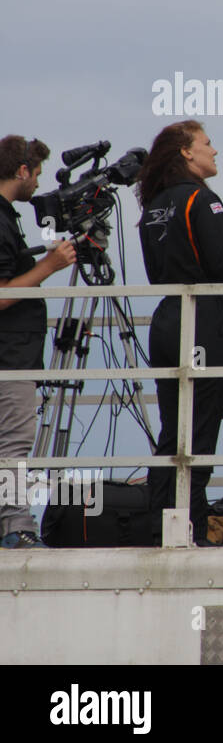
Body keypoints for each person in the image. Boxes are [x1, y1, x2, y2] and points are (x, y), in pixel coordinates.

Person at [136, 121, 223, 545]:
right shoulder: (201, 198)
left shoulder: (153, 205)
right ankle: (189, 530)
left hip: (167, 318)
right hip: (201, 321)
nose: (216, 151)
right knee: (200, 430)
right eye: (208, 144)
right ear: (186, 153)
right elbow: (221, 258)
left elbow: (157, 272)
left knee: (173, 430)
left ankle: (161, 526)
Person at [0, 136, 77, 549]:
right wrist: (49, 265)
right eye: (37, 173)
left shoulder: (6, 217)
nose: (38, 184)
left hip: (15, 352)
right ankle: (16, 528)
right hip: (9, 355)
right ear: (22, 170)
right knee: (14, 442)